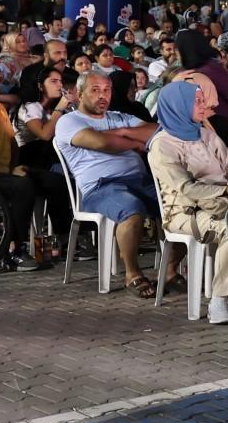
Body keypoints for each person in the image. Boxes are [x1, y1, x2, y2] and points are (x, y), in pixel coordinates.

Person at [148, 79, 228, 323]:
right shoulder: (162, 146)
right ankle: (218, 301)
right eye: (198, 101)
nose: (204, 106)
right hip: (184, 211)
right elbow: (185, 188)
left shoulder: (205, 135)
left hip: (225, 200)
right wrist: (226, 191)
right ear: (178, 106)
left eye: (203, 100)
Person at [59, 70, 164, 297]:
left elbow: (158, 131)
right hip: (101, 186)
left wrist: (125, 131)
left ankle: (172, 270)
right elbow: (101, 142)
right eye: (95, 90)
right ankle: (133, 274)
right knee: (131, 210)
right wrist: (134, 141)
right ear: (79, 93)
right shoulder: (69, 121)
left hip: (140, 180)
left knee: (176, 205)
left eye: (106, 90)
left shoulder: (118, 117)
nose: (102, 96)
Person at [0, 60, 66, 271]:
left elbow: (12, 142)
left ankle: (66, 240)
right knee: (22, 186)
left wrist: (16, 166)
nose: (0, 82)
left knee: (54, 180)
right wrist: (8, 171)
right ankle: (15, 251)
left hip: (6, 169)